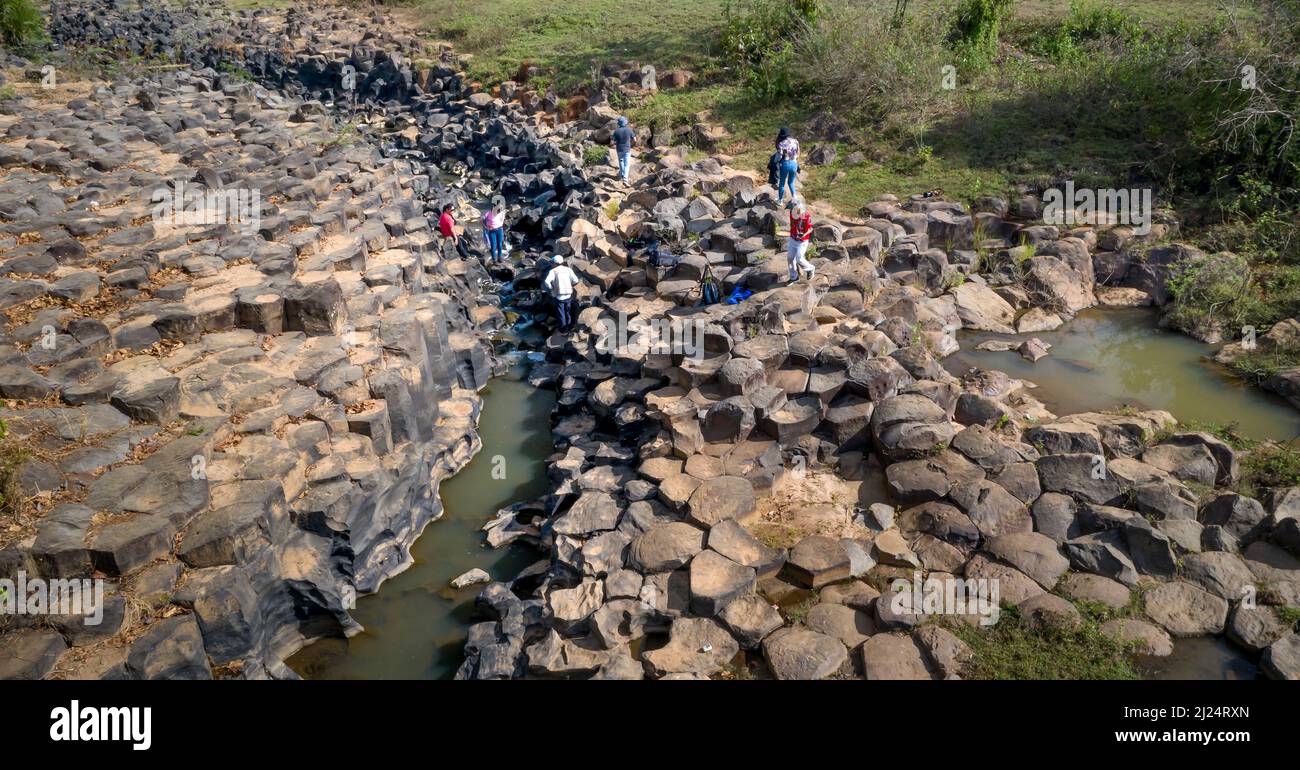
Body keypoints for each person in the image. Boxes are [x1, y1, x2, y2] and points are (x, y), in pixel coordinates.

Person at [544, 255, 581, 332]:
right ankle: (569, 326)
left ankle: (564, 330)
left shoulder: (553, 271)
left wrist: (551, 288)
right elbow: (576, 281)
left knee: (561, 313)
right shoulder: (568, 270)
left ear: (555, 263)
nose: (552, 264)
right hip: (568, 295)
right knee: (568, 311)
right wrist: (571, 285)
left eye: (552, 262)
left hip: (559, 296)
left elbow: (546, 282)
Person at [787, 201, 815, 282]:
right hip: (793, 239)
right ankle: (794, 277)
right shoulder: (792, 214)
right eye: (791, 209)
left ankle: (810, 268)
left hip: (802, 241)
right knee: (790, 258)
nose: (792, 211)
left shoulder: (806, 216)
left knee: (799, 258)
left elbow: (810, 229)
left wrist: (803, 234)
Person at [775, 127, 799, 205]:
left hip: (785, 164)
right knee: (791, 183)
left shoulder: (781, 144)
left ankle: (780, 200)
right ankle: (794, 198)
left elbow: (779, 156)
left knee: (781, 183)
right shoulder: (795, 141)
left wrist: (775, 161)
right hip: (794, 163)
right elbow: (798, 152)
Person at [610, 116, 636, 182]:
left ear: (619, 123)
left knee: (621, 161)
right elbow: (635, 140)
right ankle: (625, 179)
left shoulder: (616, 131)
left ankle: (622, 174)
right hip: (627, 148)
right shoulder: (629, 130)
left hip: (619, 149)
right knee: (626, 164)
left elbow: (612, 142)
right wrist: (631, 144)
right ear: (625, 123)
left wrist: (612, 145)